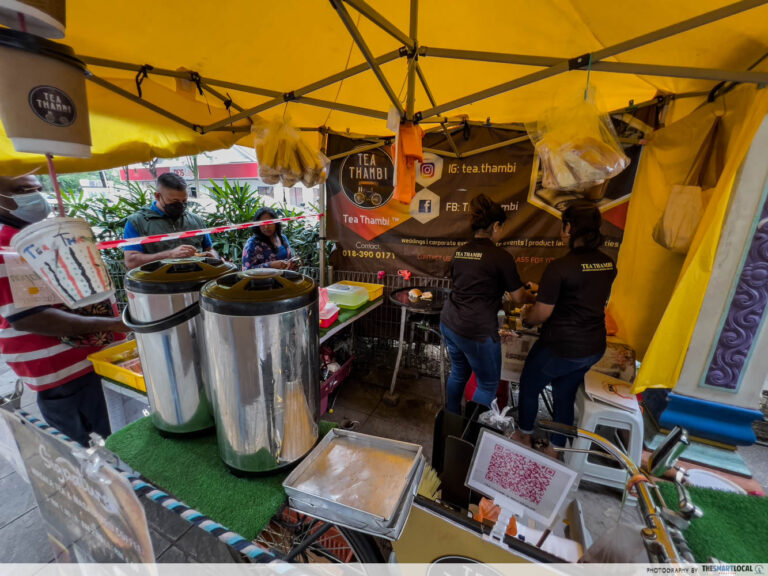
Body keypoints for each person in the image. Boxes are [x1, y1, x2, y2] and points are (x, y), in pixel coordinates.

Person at [0, 173, 130, 446]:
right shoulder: (8, 248)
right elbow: (30, 318)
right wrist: (113, 324)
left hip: (97, 358)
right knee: (85, 449)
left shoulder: (40, 236)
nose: (37, 196)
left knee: (119, 433)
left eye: (38, 188)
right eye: (24, 189)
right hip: (65, 374)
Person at [515, 200, 617, 456]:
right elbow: (582, 293)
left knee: (529, 385)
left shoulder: (560, 268)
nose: (562, 232)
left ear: (570, 228)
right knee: (565, 392)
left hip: (561, 345)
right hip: (593, 346)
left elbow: (543, 312)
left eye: (563, 226)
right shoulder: (608, 264)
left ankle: (524, 436)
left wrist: (527, 318)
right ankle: (556, 447)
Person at [440, 194, 535, 414]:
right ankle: (472, 434)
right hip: (476, 330)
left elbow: (468, 286)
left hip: (450, 322)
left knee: (458, 373)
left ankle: (451, 420)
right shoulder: (500, 256)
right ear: (496, 226)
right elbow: (519, 297)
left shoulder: (461, 251)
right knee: (488, 385)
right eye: (501, 227)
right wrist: (535, 298)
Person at [123, 173, 217, 269]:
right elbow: (131, 261)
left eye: (184, 201)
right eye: (174, 201)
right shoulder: (137, 222)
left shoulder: (196, 220)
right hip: (157, 282)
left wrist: (213, 256)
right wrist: (169, 255)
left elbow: (210, 249)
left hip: (198, 280)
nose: (180, 205)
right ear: (157, 196)